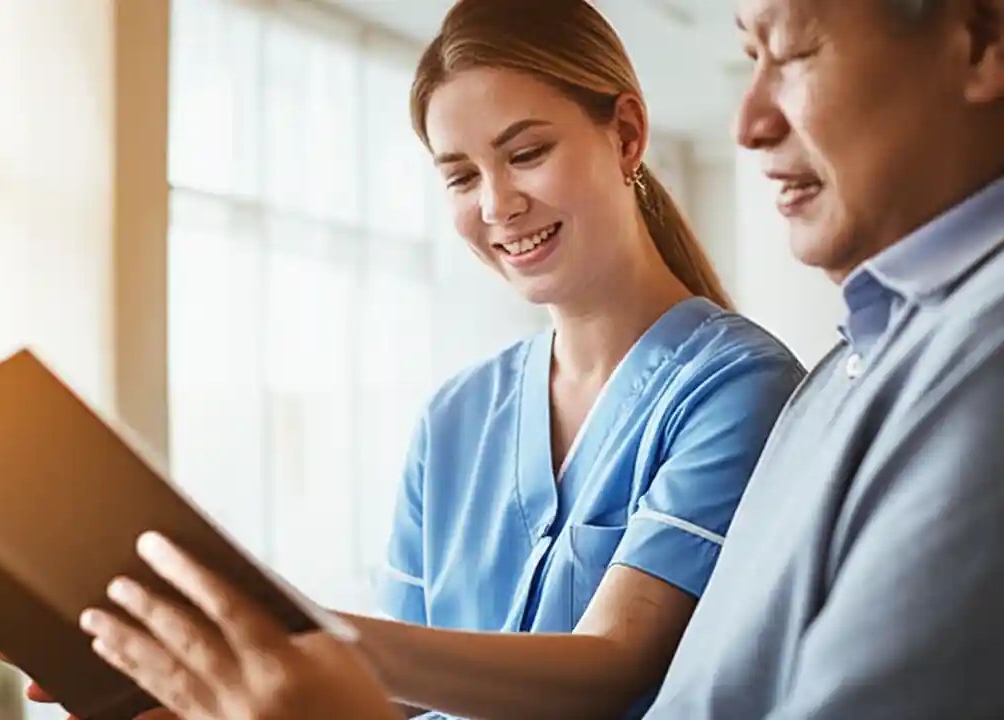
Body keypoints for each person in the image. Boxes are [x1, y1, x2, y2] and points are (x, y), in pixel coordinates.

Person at [69, 0, 1004, 717]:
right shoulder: (455, 417)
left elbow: (617, 671)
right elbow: (399, 696)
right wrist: (211, 677)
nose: (498, 203)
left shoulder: (745, 387)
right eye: (461, 176)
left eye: (526, 154)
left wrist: (300, 635)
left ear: (626, 136)